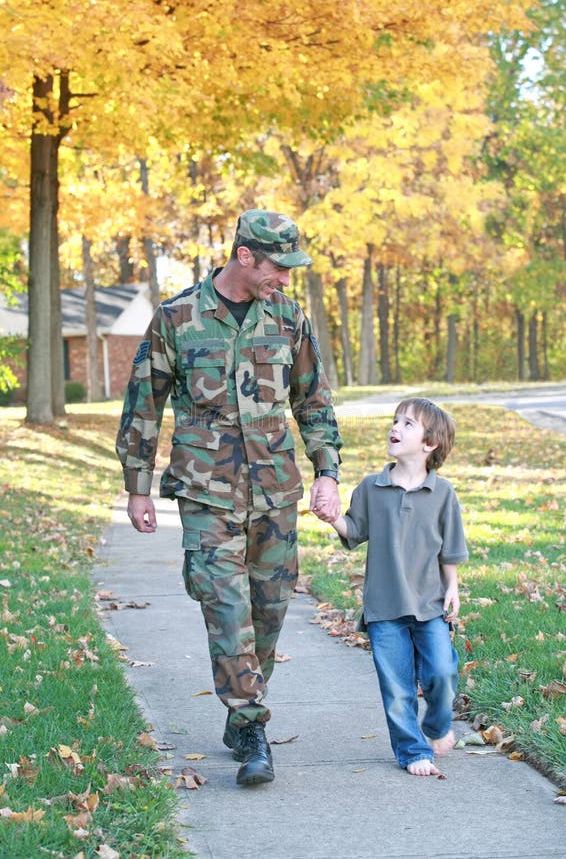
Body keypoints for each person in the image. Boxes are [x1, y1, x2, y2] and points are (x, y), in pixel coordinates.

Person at [116, 209, 342, 786]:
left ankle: (242, 714)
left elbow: (312, 401)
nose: (286, 279)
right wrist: (137, 486)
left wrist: (327, 472)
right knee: (226, 610)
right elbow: (144, 404)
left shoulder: (289, 318)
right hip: (205, 492)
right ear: (245, 256)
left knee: (269, 610)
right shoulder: (178, 318)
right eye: (278, 267)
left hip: (275, 494)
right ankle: (251, 724)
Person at [329, 397, 467, 776]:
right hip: (384, 607)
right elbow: (354, 532)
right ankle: (412, 751)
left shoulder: (443, 494)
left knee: (441, 673)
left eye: (408, 424)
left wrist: (452, 587)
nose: (396, 427)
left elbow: (451, 548)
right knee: (397, 688)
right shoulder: (372, 488)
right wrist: (332, 517)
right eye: (395, 421)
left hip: (431, 603)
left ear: (429, 444)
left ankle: (437, 727)